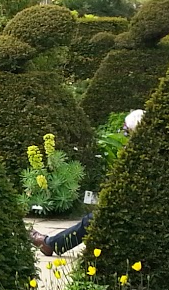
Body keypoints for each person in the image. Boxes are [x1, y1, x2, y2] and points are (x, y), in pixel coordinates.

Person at [28, 109, 142, 257]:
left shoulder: (140, 154)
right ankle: (52, 243)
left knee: (94, 219)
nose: (124, 136)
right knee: (94, 217)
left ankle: (51, 244)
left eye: (127, 132)